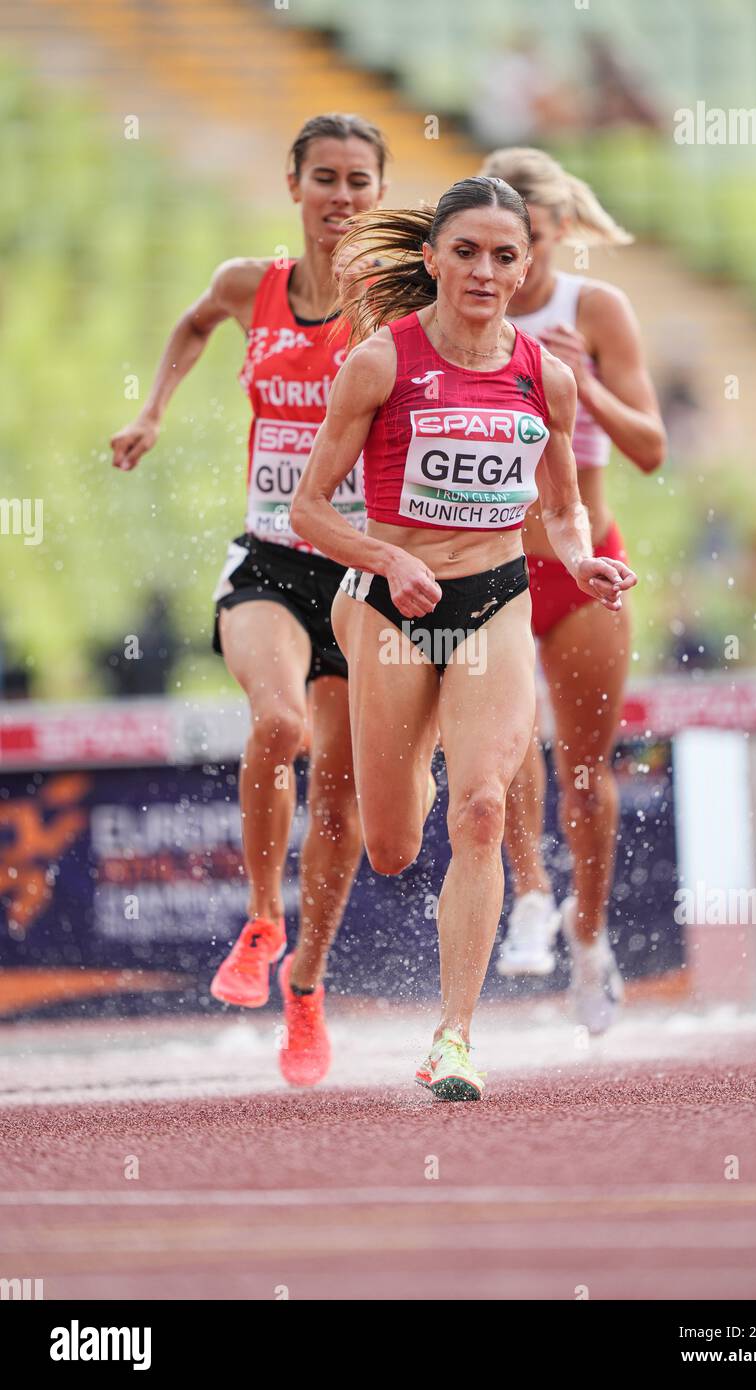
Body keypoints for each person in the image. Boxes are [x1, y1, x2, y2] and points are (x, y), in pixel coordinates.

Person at [290, 175, 636, 1100]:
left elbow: (562, 510)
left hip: (495, 601)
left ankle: (454, 1038)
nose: (486, 270)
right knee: (395, 845)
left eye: (505, 255)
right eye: (469, 251)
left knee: (481, 808)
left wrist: (581, 559)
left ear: (528, 268)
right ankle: (420, 736)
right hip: (389, 606)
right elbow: (309, 508)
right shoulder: (381, 362)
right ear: (435, 258)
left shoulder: (545, 374)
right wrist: (387, 559)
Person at [109, 113, 392, 1086]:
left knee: (346, 801)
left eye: (360, 182)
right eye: (326, 178)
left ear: (377, 196)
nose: (342, 199)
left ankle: (306, 989)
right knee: (279, 725)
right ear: (293, 184)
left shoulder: (396, 305)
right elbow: (191, 324)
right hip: (271, 559)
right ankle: (264, 921)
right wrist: (152, 409)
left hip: (361, 569)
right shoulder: (249, 287)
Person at [479, 148, 665, 1032]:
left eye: (526, 237)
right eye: (492, 239)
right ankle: (527, 891)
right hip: (495, 562)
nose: (507, 260)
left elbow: (652, 447)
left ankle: (589, 942)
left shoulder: (594, 308)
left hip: (588, 564)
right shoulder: (465, 302)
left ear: (555, 229)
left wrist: (582, 379)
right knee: (506, 747)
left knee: (583, 776)